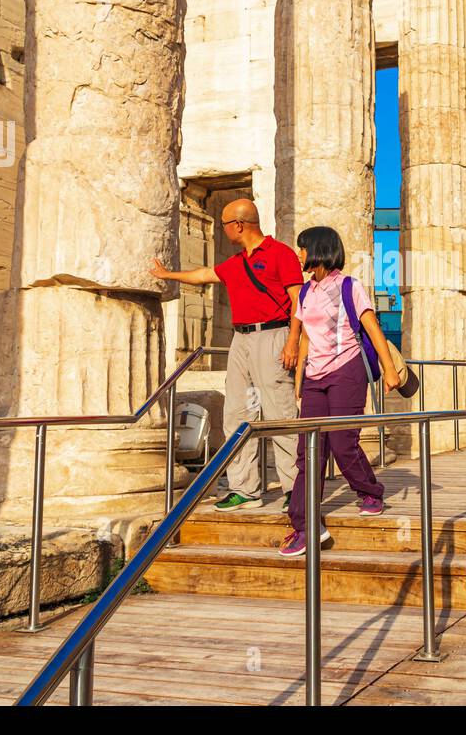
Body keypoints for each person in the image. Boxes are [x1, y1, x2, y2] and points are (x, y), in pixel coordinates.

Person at [151, 199, 301, 513]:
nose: (223, 229)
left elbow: (297, 300)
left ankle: (294, 489)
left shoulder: (280, 254)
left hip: (273, 337)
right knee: (238, 414)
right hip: (241, 341)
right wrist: (168, 274)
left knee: (280, 414)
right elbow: (204, 274)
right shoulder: (236, 262)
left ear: (239, 224)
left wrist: (293, 343)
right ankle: (245, 489)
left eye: (224, 223)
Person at [280, 227, 400, 557]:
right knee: (308, 449)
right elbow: (305, 337)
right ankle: (303, 524)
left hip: (347, 370)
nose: (298, 254)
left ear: (318, 249)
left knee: (342, 440)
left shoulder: (350, 286)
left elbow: (372, 327)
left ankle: (370, 490)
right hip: (315, 376)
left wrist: (389, 369)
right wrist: (299, 380)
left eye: (302, 248)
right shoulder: (305, 292)